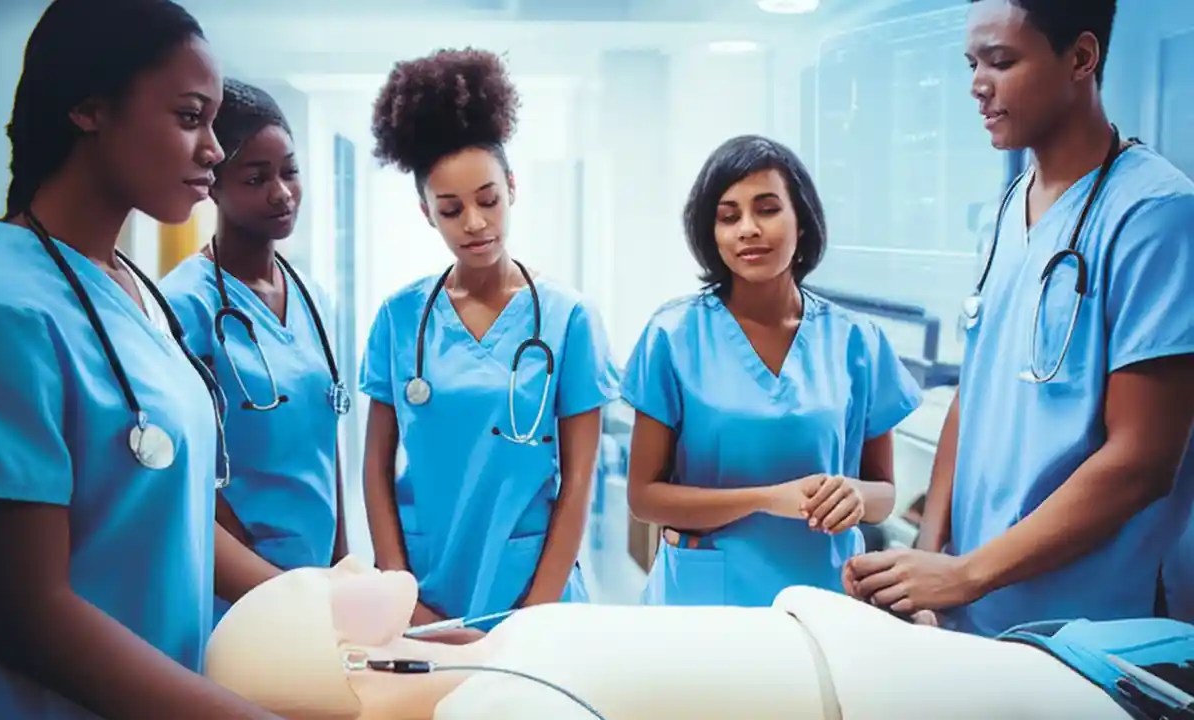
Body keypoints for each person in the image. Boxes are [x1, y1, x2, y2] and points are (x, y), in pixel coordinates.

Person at [0, 1, 278, 718]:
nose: (215, 150)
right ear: (88, 107)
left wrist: (328, 605)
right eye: (189, 117)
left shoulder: (134, 290)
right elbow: (30, 618)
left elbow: (162, 515)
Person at [846, 0, 1194, 637]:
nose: (978, 85)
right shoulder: (1008, 211)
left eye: (1001, 62)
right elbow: (971, 397)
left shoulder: (1156, 215)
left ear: (1081, 58)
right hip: (974, 613)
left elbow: (1143, 461)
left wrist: (966, 574)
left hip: (1087, 629)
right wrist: (929, 559)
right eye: (972, 64)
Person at [201, 555, 1140, 719]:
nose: (348, 566)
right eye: (328, 587)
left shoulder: (496, 647)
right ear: (349, 661)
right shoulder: (491, 708)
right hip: (885, 697)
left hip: (874, 652)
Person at [360, 48, 619, 630]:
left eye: (488, 199)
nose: (474, 223)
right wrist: (398, 589)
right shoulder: (399, 318)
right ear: (426, 212)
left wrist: (537, 610)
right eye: (451, 209)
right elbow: (375, 468)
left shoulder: (569, 319)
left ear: (512, 188)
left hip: (532, 589)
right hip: (425, 589)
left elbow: (580, 479)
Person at [622, 134, 922, 606]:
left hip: (824, 595)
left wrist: (856, 495)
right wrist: (765, 499)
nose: (748, 229)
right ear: (711, 233)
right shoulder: (674, 336)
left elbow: (883, 494)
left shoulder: (856, 341)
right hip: (702, 600)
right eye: (728, 216)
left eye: (767, 209)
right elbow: (644, 498)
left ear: (802, 220)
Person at [161, 78, 350, 619]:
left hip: (319, 585)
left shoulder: (311, 296)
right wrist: (263, 583)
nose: (282, 192)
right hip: (237, 592)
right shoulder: (184, 305)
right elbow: (191, 470)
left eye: (290, 171)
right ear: (213, 185)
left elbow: (325, 443)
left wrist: (343, 562)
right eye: (256, 178)